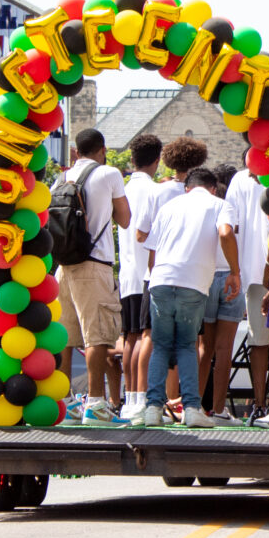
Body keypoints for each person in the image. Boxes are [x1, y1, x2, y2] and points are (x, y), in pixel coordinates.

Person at [142, 167, 240, 428]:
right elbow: (226, 233)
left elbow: (152, 252)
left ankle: (153, 409)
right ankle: (192, 408)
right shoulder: (219, 204)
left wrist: (160, 279)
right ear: (212, 188)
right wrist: (235, 271)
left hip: (161, 280)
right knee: (186, 345)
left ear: (187, 187)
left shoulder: (170, 206)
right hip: (193, 283)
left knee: (161, 345)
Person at [56, 128, 131, 427]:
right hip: (94, 264)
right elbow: (125, 219)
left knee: (65, 335)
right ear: (103, 150)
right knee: (97, 336)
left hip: (64, 266)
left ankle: (64, 405)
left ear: (75, 151)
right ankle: (96, 405)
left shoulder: (61, 177)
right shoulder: (109, 173)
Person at [116, 134, 162, 420]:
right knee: (145, 337)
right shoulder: (154, 191)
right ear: (157, 161)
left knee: (130, 337)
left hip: (126, 273)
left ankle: (129, 397)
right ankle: (138, 398)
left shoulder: (122, 189)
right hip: (148, 272)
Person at [196, 164, 245, 426]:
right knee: (224, 349)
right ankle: (218, 410)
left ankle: (194, 407)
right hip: (229, 276)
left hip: (205, 278)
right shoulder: (228, 209)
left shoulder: (200, 210)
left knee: (205, 348)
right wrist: (237, 272)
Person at [224, 167, 269, 420]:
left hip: (260, 269)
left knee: (263, 341)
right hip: (263, 270)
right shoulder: (244, 178)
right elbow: (229, 226)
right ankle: (263, 404)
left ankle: (265, 403)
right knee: (264, 340)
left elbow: (229, 227)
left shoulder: (241, 179)